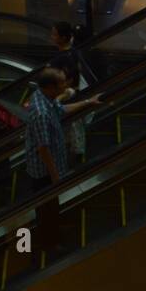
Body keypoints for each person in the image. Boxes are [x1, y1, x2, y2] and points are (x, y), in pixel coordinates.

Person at [24, 68, 103, 251]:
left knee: (50, 206)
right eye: (61, 82)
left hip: (48, 168)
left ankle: (51, 235)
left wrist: (88, 102)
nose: (66, 84)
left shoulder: (45, 98)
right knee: (46, 208)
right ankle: (50, 243)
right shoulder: (41, 113)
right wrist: (55, 176)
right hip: (44, 172)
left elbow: (62, 109)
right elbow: (43, 148)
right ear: (51, 87)